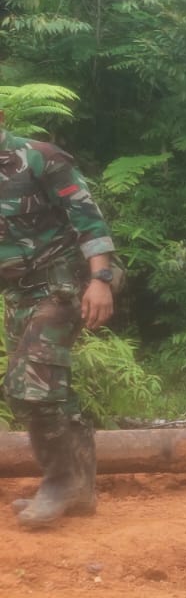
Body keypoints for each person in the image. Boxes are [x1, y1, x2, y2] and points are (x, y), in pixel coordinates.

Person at [2, 118, 117, 530]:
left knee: (30, 386)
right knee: (52, 394)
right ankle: (81, 489)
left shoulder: (40, 159)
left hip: (63, 286)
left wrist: (101, 281)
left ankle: (59, 482)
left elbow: (89, 219)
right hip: (18, 296)